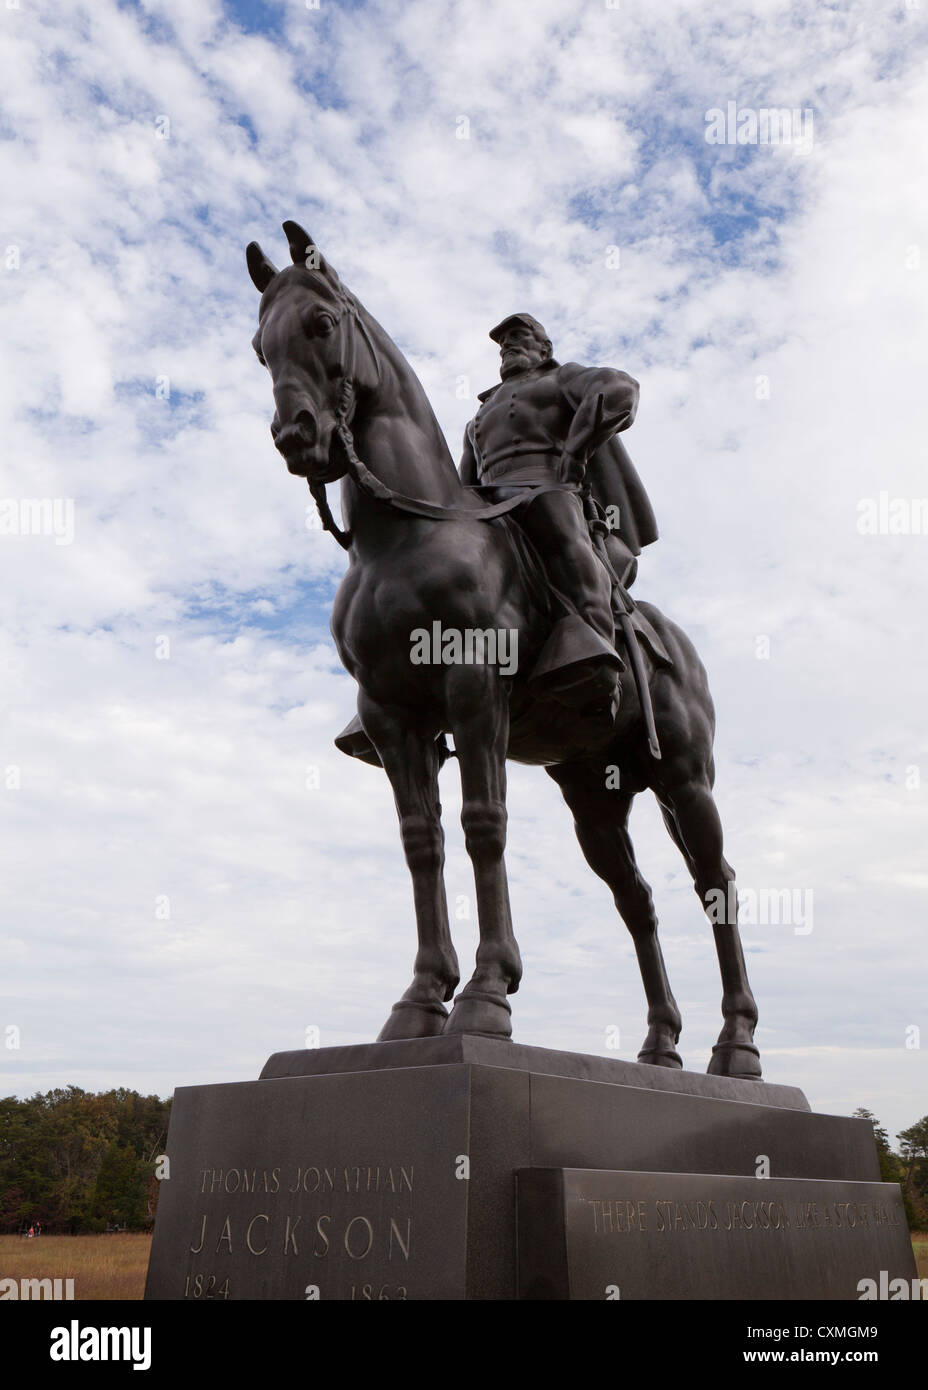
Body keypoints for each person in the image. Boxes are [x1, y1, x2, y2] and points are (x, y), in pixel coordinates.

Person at [460, 313, 658, 716]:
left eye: (518, 338)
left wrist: (575, 453)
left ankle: (595, 651)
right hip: (488, 503)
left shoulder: (562, 378)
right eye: (503, 344)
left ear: (543, 349)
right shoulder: (477, 418)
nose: (507, 347)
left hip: (550, 489)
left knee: (555, 521)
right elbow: (463, 481)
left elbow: (620, 389)